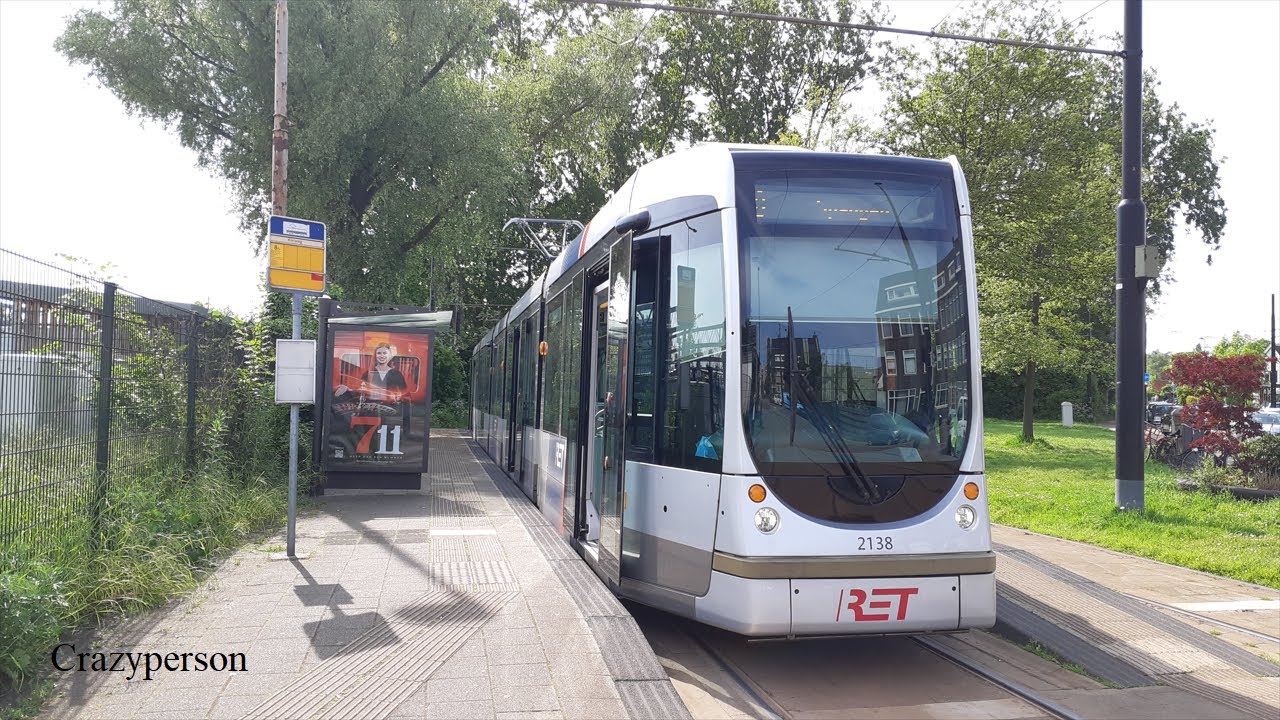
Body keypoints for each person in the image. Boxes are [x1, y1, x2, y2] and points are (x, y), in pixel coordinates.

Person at [336, 343, 408, 401]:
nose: (382, 356)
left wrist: (398, 396)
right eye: (379, 353)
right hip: (372, 410)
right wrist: (347, 389)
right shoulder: (368, 374)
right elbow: (361, 392)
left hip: (391, 412)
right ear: (375, 356)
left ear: (389, 355)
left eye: (384, 353)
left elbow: (405, 394)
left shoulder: (397, 374)